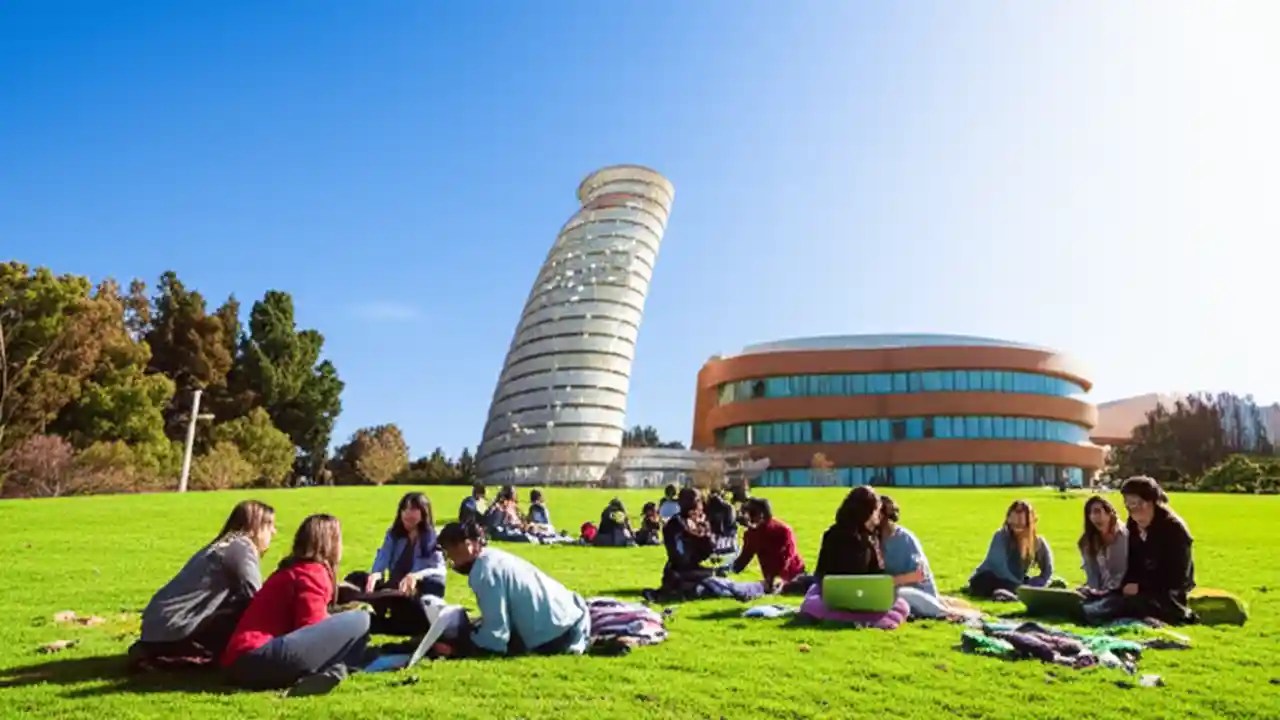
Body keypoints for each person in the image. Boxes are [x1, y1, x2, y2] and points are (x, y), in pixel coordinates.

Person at [222, 515, 371, 697]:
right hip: (256, 659)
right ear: (329, 543)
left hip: (241, 663)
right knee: (362, 619)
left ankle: (340, 667)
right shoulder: (312, 573)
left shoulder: (292, 570)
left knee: (350, 627)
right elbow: (312, 626)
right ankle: (344, 666)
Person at [131, 500, 277, 669]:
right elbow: (256, 596)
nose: (273, 532)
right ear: (254, 527)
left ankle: (154, 650)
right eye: (269, 525)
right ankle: (168, 656)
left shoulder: (223, 545)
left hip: (158, 625)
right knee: (245, 616)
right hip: (176, 627)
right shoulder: (241, 549)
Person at [436, 522, 591, 656]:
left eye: (450, 552)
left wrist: (458, 648)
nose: (451, 560)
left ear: (467, 545)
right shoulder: (493, 557)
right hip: (568, 619)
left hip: (552, 635)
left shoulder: (484, 572)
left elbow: (496, 636)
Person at [1084, 477, 1196, 625]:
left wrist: (1141, 586)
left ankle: (1093, 612)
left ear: (1151, 502)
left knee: (1128, 605)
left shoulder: (1174, 530)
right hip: (1140, 591)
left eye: (1135, 503)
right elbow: (1133, 564)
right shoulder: (1133, 524)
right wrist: (1125, 585)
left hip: (1167, 595)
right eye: (1128, 504)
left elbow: (1178, 578)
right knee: (1103, 596)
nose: (1132, 509)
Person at [342, 492, 446, 636]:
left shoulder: (432, 539)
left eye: (413, 509)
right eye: (405, 509)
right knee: (357, 577)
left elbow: (439, 570)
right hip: (392, 586)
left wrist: (416, 576)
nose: (408, 514)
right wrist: (376, 573)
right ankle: (363, 602)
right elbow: (383, 555)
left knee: (397, 598)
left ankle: (365, 604)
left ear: (424, 512)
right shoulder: (394, 534)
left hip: (412, 594)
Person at [879, 495, 977, 619]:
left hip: (916, 592)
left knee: (901, 594)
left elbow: (919, 575)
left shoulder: (905, 539)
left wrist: (889, 582)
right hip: (888, 591)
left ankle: (948, 613)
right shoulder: (872, 540)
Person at [967, 500, 1057, 600]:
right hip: (996, 577)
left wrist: (1042, 581)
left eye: (1022, 525)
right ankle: (1013, 594)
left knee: (1045, 582)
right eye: (1014, 524)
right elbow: (1001, 568)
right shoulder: (1000, 536)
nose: (1017, 529)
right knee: (984, 581)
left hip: (1018, 580)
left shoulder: (1037, 542)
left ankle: (1014, 594)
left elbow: (1048, 569)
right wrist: (1020, 586)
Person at [731, 498, 806, 592]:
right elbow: (745, 556)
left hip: (794, 576)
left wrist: (776, 578)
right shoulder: (751, 534)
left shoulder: (782, 530)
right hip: (771, 579)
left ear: (760, 515)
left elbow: (787, 556)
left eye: (750, 514)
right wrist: (728, 570)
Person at [815, 486, 885, 580]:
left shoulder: (832, 534)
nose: (878, 517)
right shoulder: (864, 541)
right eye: (877, 511)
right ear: (869, 512)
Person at [1078, 496, 1129, 597]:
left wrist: (1108, 591)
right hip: (1099, 592)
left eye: (1097, 511)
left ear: (1109, 513)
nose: (1093, 516)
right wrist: (1094, 590)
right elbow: (1092, 574)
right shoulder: (1087, 542)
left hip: (1121, 592)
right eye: (1090, 513)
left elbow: (1121, 572)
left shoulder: (1125, 537)